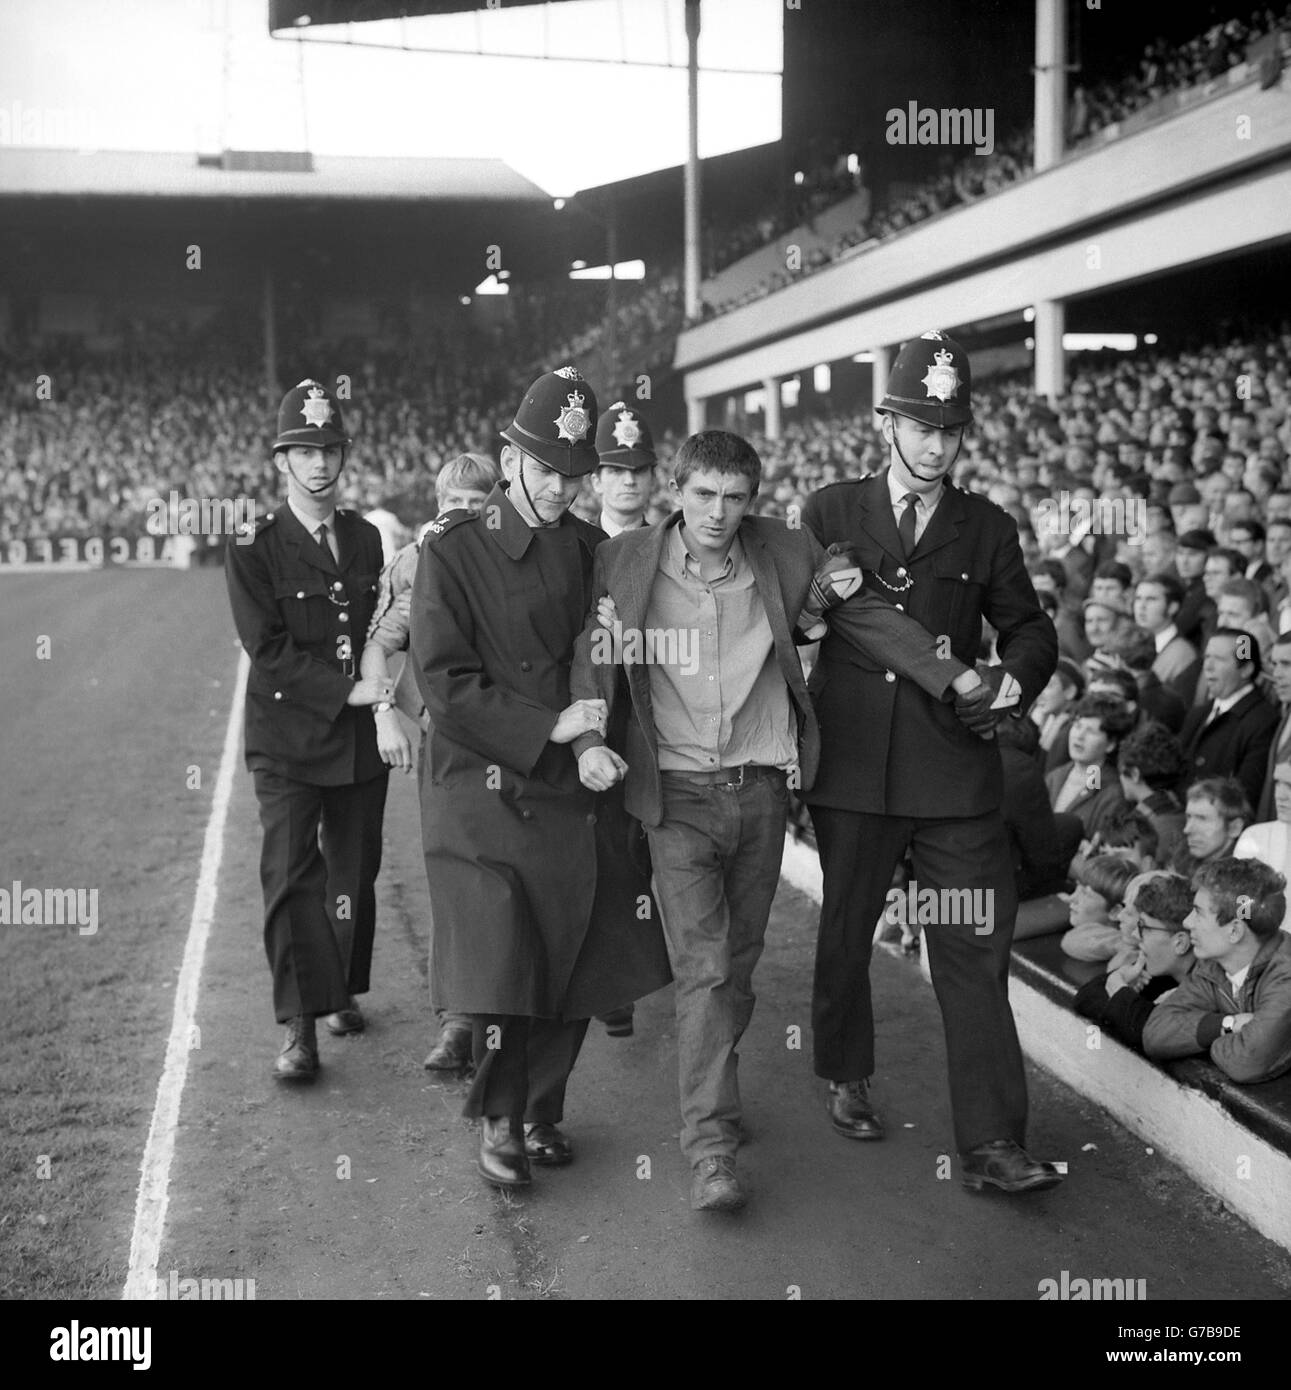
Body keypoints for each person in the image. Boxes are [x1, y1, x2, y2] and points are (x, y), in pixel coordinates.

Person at [569, 428, 987, 1212]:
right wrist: (590, 736)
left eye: (733, 499)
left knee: (740, 965)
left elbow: (868, 620)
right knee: (707, 968)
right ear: (677, 490)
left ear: (751, 501)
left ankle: (710, 1081)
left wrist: (955, 674)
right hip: (677, 797)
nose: (717, 513)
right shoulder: (623, 560)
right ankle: (711, 1146)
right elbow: (593, 655)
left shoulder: (788, 552)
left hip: (760, 789)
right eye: (702, 495)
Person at [800, 330, 1064, 1195]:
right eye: (918, 425)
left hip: (953, 778)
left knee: (973, 952)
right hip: (854, 776)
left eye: (948, 430)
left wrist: (1009, 682)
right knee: (845, 937)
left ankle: (992, 1143)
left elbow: (1030, 629)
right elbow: (807, 620)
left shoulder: (985, 526)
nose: (933, 445)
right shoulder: (830, 511)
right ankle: (845, 1074)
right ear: (886, 423)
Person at [409, 367, 672, 1190]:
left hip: (568, 782)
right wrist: (543, 728)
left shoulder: (590, 550)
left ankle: (538, 1110)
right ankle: (499, 1116)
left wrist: (588, 734)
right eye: (546, 470)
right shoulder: (451, 551)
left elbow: (595, 660)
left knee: (575, 954)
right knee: (502, 961)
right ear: (509, 458)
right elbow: (445, 684)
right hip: (476, 783)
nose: (561, 489)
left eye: (575, 475)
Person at [224, 379, 392, 1081]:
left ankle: (339, 990)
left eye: (329, 449)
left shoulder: (364, 537)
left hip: (355, 743)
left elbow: (379, 627)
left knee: (354, 873)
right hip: (289, 738)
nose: (319, 464)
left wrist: (380, 699)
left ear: (344, 456)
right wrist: (351, 689)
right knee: (292, 878)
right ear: (280, 462)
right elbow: (266, 648)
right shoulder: (253, 543)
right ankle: (299, 1024)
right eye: (304, 451)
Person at [361, 451, 500, 1072]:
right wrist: (383, 710)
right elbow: (378, 647)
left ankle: (508, 1008)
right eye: (455, 505)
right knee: (454, 880)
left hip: (514, 741)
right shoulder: (416, 564)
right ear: (437, 507)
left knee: (510, 879)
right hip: (445, 744)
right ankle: (459, 1021)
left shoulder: (514, 554)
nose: (467, 515)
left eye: (479, 504)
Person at [587, 401, 660, 1038]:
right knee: (602, 853)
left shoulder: (676, 544)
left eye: (638, 468)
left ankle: (632, 973)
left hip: (659, 723)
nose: (628, 480)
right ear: (595, 480)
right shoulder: (579, 548)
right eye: (615, 468)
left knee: (647, 855)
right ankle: (613, 980)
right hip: (594, 724)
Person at [1143, 857, 1291, 1082]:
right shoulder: (1213, 968)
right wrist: (1229, 1024)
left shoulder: (1286, 974)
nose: (1187, 922)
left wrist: (1206, 1040)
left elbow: (1245, 1062)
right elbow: (1155, 1034)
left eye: (1198, 913)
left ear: (1234, 931)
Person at [1074, 873, 1196, 1052]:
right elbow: (1085, 997)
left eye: (1144, 928)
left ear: (1180, 943)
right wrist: (1119, 985)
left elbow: (1148, 1033)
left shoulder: (1206, 986)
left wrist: (1119, 991)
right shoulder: (1160, 971)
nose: (1135, 935)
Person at [1178, 628, 1278, 810]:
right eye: (1207, 657)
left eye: (1219, 659)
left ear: (1246, 669)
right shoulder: (1199, 713)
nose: (1208, 666)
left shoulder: (1263, 721)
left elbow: (1246, 796)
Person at [1134, 573, 1199, 704]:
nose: (1142, 606)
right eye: (1138, 598)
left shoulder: (1183, 654)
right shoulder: (1130, 644)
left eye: (1151, 599)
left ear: (1172, 608)